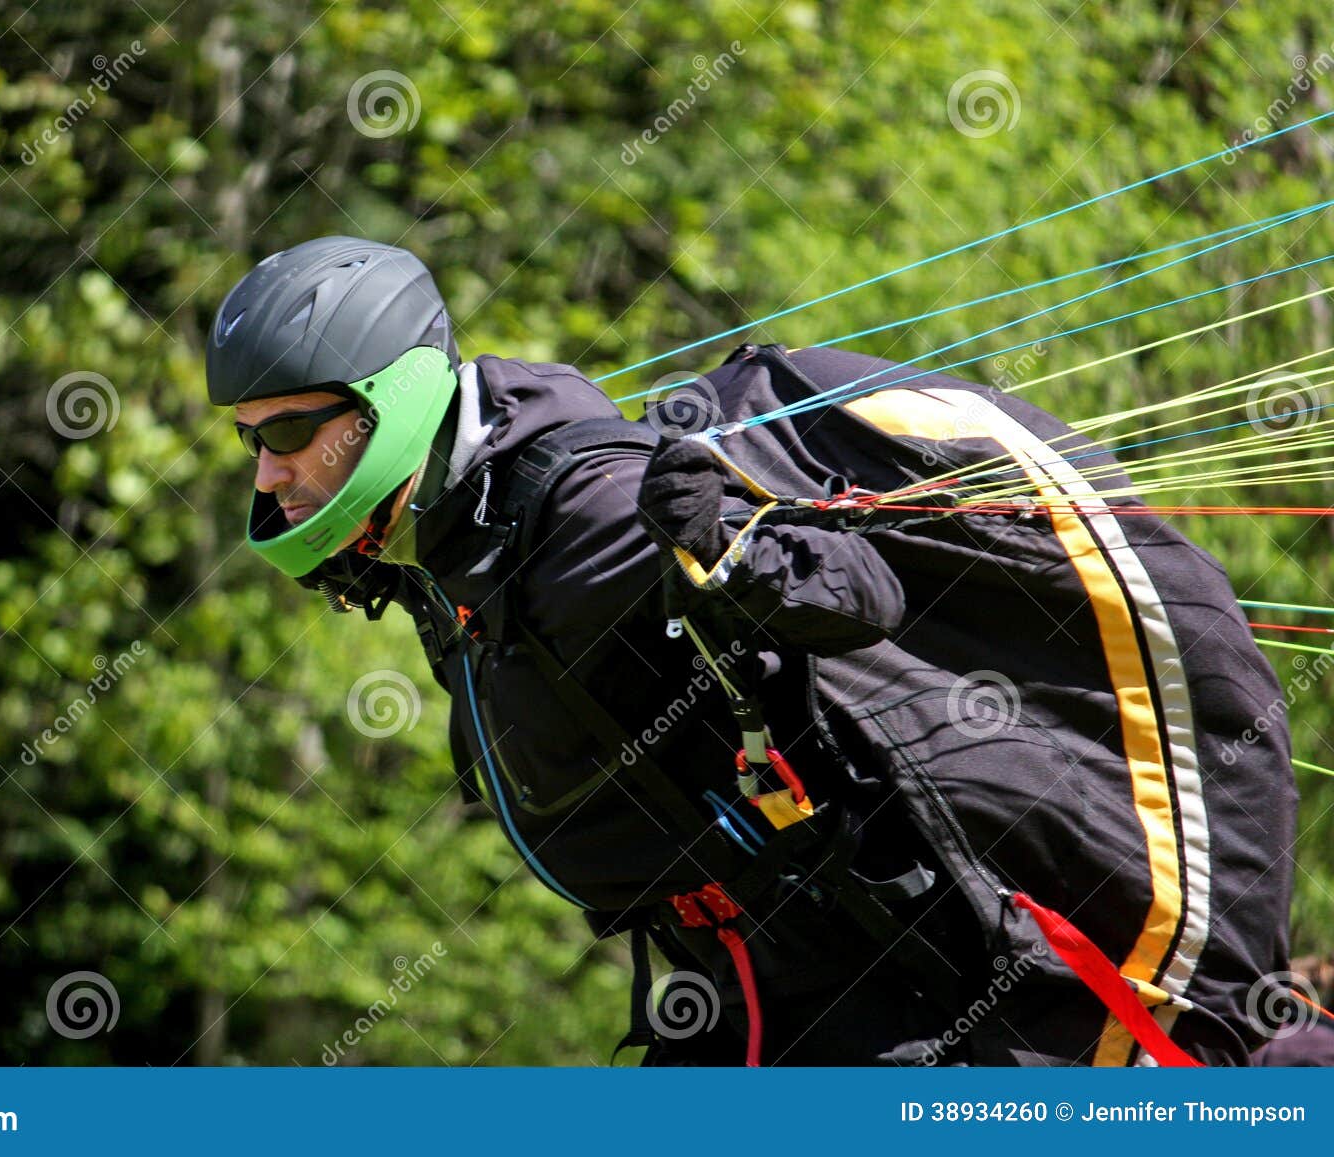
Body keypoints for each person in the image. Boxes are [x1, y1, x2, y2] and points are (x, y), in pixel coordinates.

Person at [206, 235, 1303, 1066]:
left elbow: (858, 592)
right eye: (250, 439)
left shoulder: (585, 509)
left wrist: (735, 553)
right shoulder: (455, 552)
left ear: (389, 403)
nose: (266, 472)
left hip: (893, 995)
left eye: (289, 432)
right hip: (759, 1003)